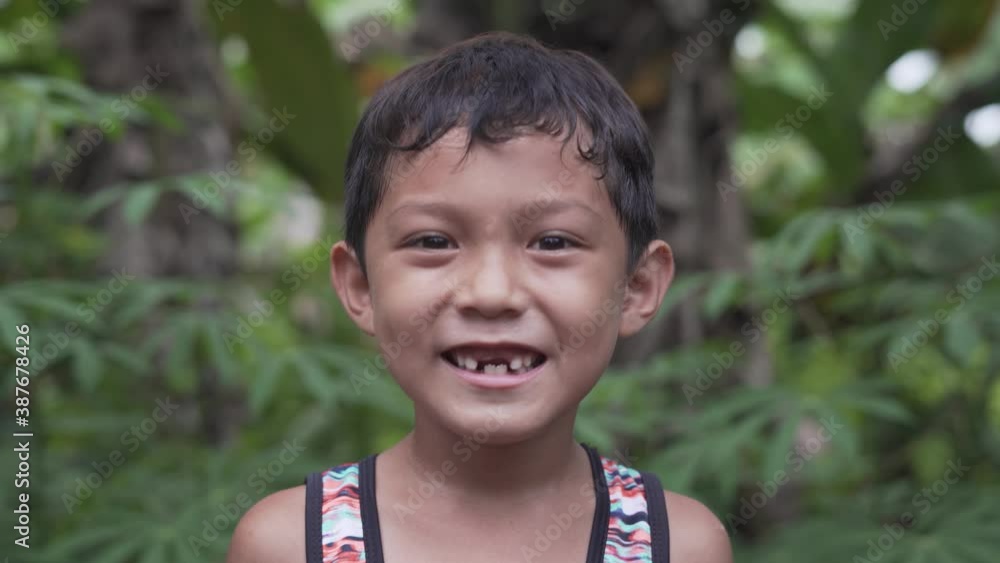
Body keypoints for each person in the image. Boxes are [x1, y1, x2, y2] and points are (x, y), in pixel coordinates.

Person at [226, 31, 732, 563]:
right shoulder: (290, 544)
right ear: (360, 286)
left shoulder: (679, 546)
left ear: (637, 287)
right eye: (433, 242)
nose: (492, 294)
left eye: (553, 243)